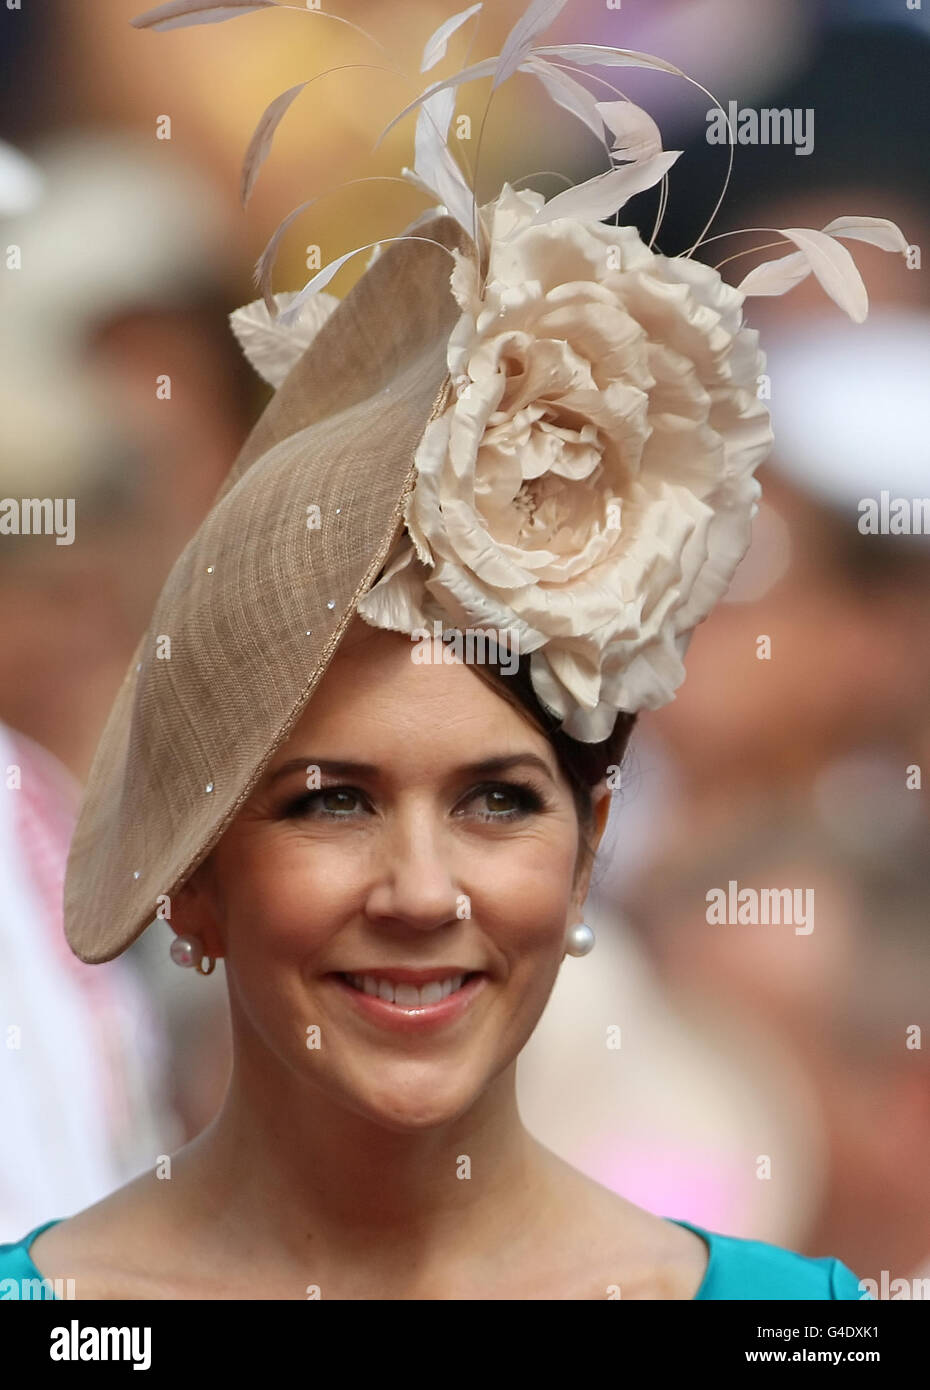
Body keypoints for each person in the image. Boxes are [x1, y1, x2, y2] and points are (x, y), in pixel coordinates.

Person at [0, 0, 907, 1299]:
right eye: (330, 800)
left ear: (591, 847)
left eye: (498, 799)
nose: (421, 890)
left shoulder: (797, 1321)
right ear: (187, 876)